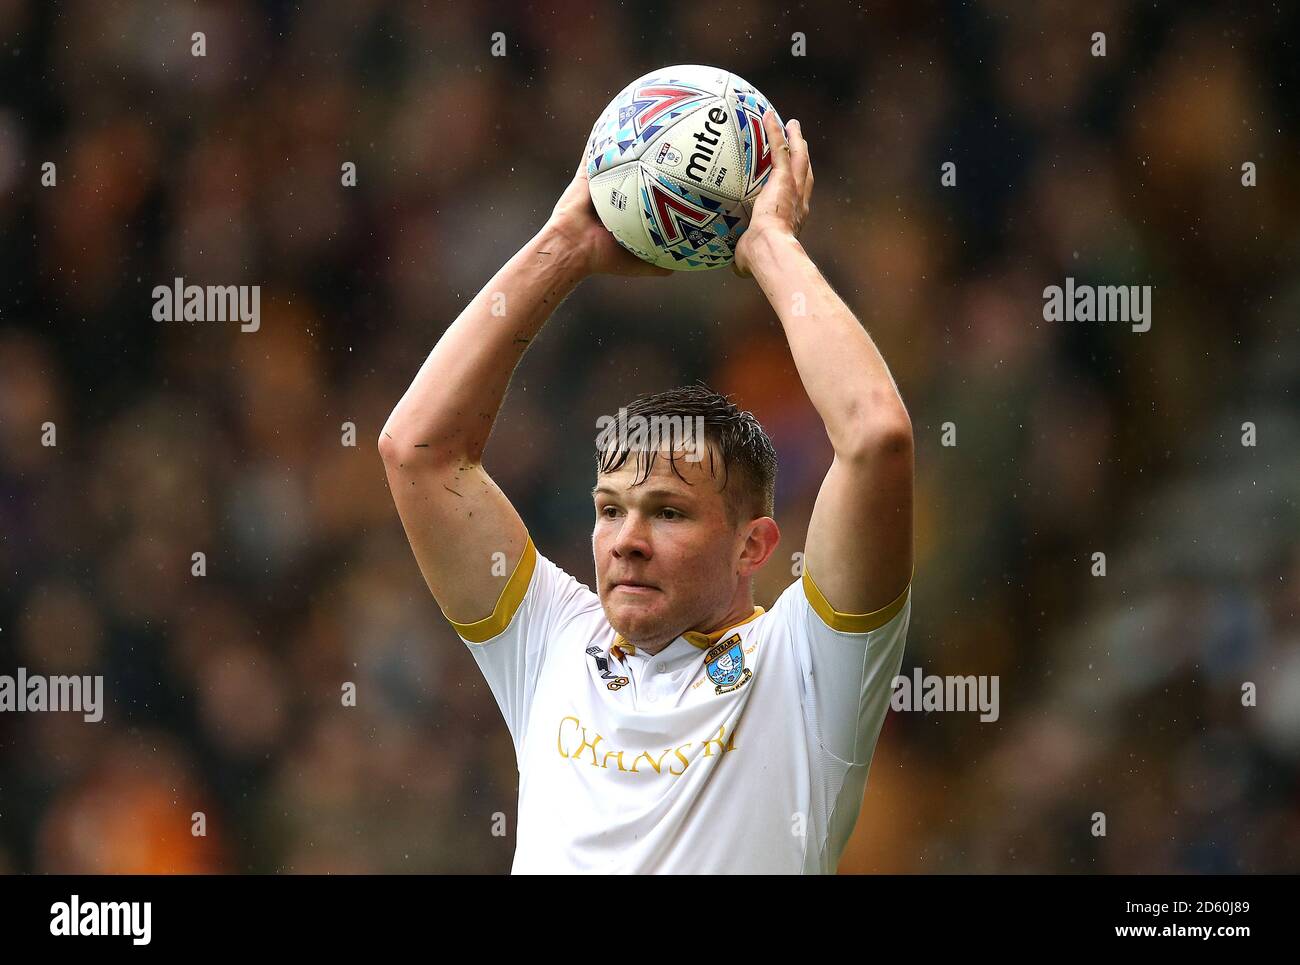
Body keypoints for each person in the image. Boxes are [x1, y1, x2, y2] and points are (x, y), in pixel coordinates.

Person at [379, 109, 913, 873]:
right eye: (609, 510)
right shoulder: (555, 642)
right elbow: (417, 453)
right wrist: (563, 249)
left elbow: (875, 436)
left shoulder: (807, 667)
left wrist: (769, 245)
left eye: (667, 511)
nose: (625, 538)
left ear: (753, 544)